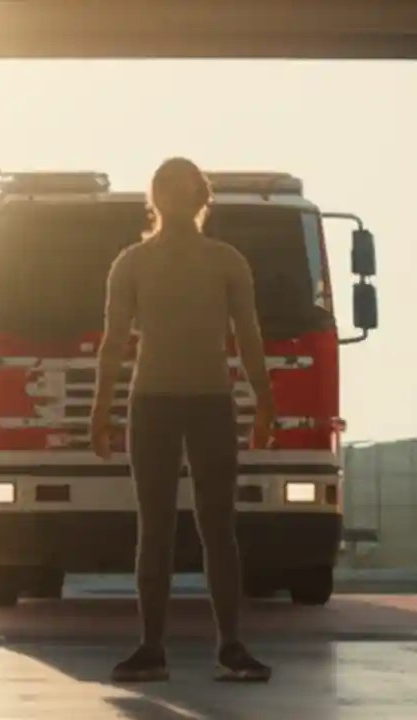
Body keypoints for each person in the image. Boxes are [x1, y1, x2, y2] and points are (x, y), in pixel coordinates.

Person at [90, 157, 274, 683]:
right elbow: (113, 345)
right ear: (155, 197)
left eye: (184, 186)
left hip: (212, 402)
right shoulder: (131, 263)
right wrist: (99, 411)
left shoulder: (226, 261)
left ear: (200, 198)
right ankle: (150, 647)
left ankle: (231, 645)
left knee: (218, 527)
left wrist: (265, 401)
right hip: (152, 403)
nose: (174, 195)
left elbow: (250, 335)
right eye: (165, 186)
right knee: (155, 528)